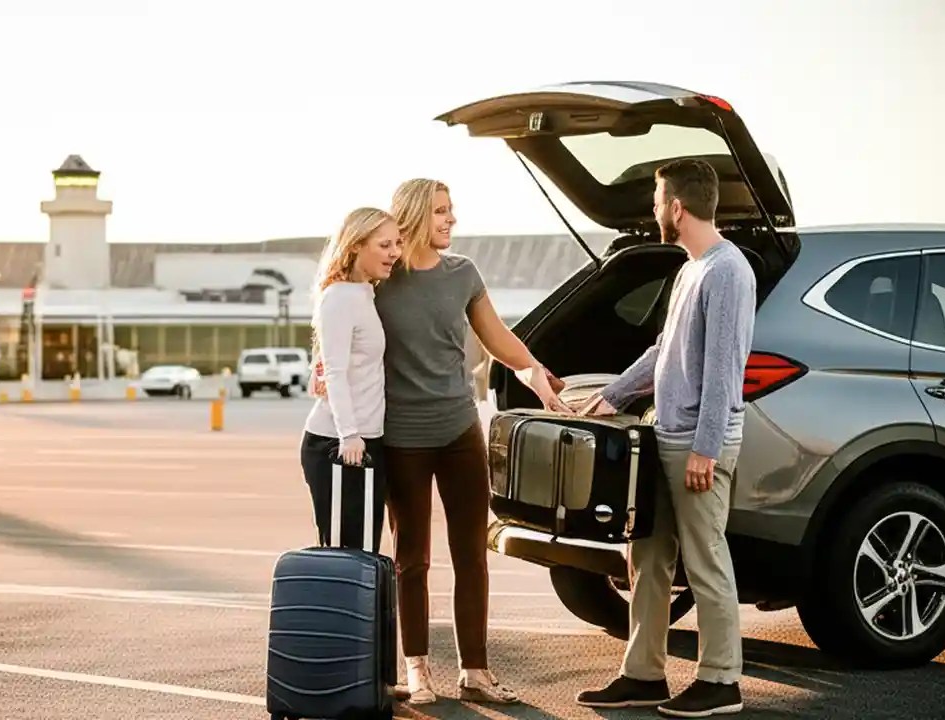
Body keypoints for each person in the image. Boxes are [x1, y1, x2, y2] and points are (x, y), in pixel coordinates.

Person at [573, 158, 756, 717]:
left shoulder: (727, 270)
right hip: (665, 436)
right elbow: (663, 355)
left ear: (677, 208)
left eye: (657, 202)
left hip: (700, 444)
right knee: (647, 558)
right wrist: (615, 396)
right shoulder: (689, 270)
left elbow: (725, 367)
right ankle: (644, 674)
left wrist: (705, 447)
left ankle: (721, 681)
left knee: (705, 561)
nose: (653, 211)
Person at [375, 178, 567, 705]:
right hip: (403, 438)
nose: (450, 220)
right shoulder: (379, 279)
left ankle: (475, 672)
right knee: (411, 558)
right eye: (440, 211)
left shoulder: (463, 273)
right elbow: (349, 333)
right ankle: (416, 669)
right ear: (414, 215)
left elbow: (495, 334)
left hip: (460, 429)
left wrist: (534, 373)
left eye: (451, 210)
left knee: (472, 556)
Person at [300, 207, 402, 551]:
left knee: (364, 552)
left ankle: (364, 609)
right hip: (339, 443)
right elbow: (335, 371)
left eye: (397, 244)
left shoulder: (364, 293)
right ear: (357, 245)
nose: (394, 253)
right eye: (385, 244)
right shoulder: (341, 296)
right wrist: (349, 435)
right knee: (345, 554)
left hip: (366, 441)